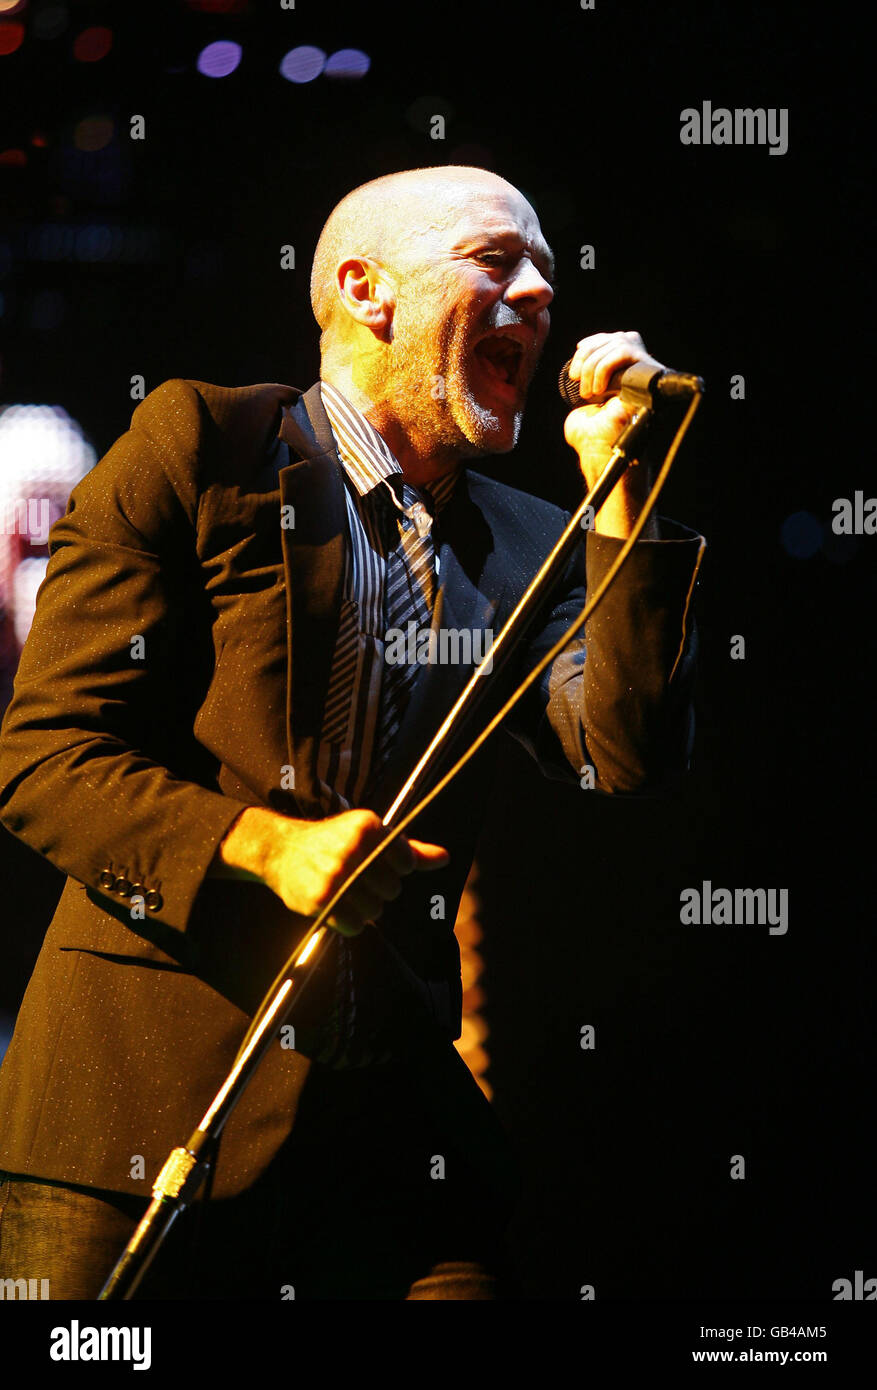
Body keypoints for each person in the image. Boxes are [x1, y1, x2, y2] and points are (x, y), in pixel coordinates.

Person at [0, 165, 705, 1300]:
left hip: (391, 1139)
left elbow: (619, 753)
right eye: (495, 262)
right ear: (366, 290)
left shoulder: (527, 541)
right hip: (140, 1109)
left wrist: (620, 492)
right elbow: (43, 757)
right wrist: (263, 844)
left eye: (547, 274)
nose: (537, 295)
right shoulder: (205, 447)